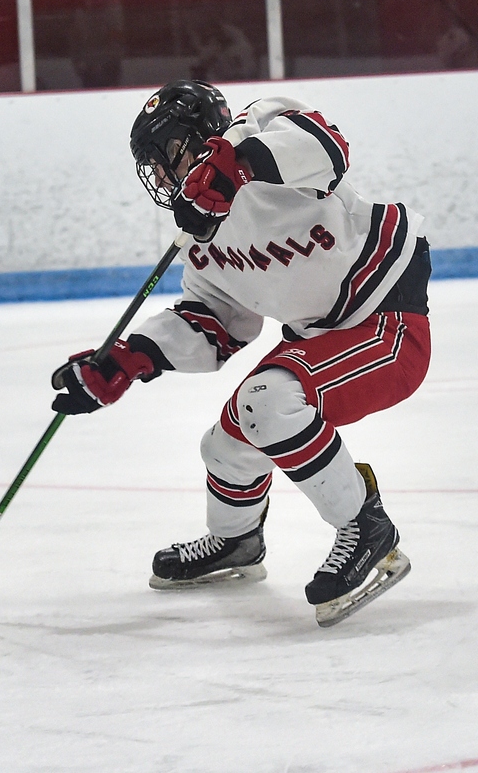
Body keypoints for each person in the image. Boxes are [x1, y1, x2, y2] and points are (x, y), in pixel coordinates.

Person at [50, 80, 431, 626]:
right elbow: (216, 325)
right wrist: (130, 359)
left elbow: (329, 148)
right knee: (226, 447)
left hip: (388, 318)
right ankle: (236, 543)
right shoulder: (200, 237)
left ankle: (367, 528)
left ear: (197, 137)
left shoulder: (260, 127)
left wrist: (237, 166)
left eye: (164, 158)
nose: (159, 177)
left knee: (267, 404)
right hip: (321, 337)